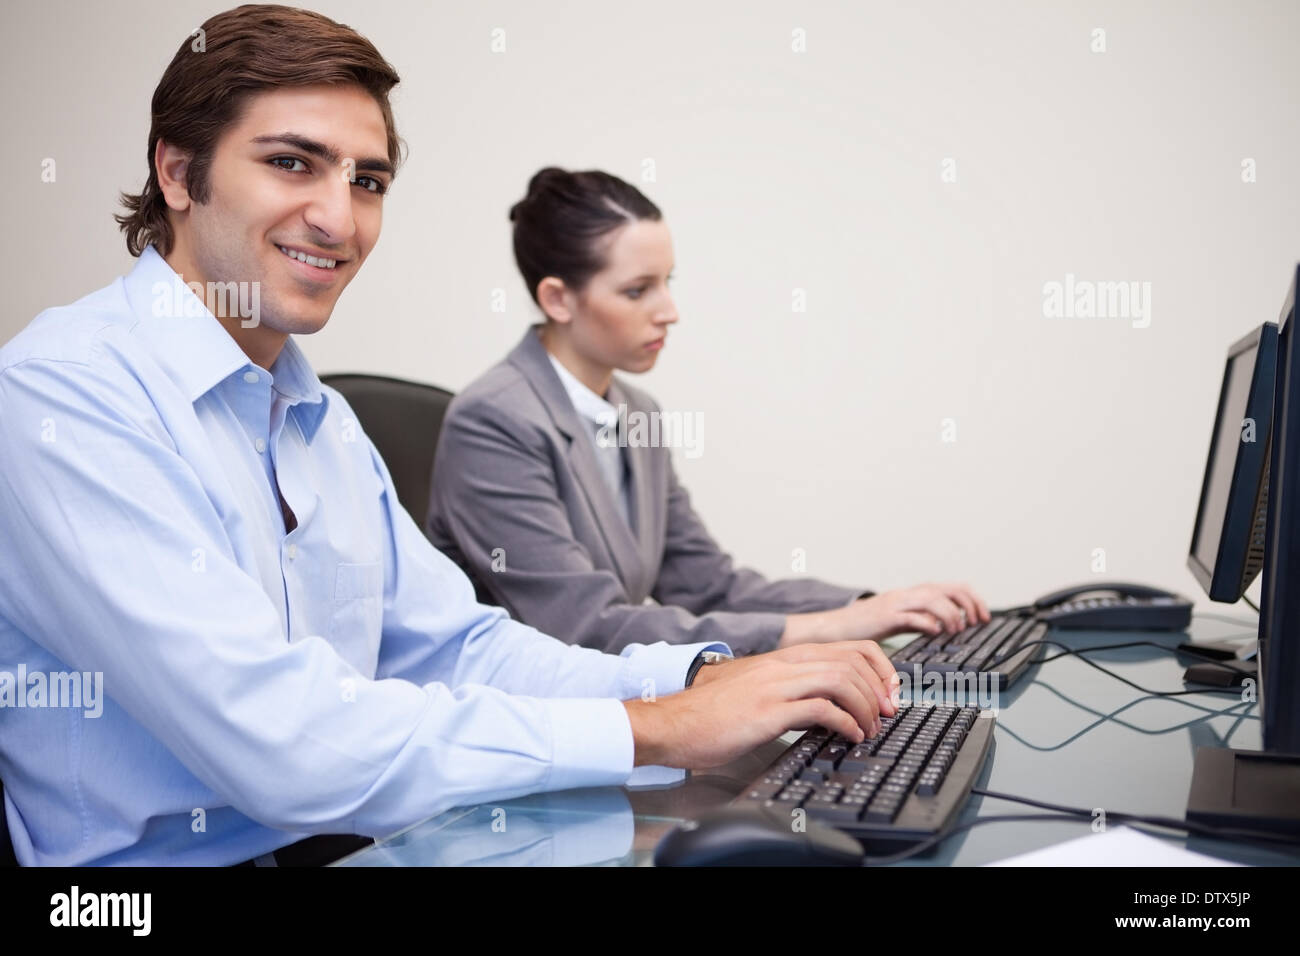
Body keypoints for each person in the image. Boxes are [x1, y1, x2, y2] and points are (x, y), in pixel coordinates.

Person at [0, 4, 899, 867]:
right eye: (291, 163)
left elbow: (460, 647)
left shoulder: (319, 418)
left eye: (369, 181)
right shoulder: (66, 397)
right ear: (176, 172)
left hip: (359, 841)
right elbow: (282, 741)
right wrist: (654, 725)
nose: (339, 218)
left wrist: (695, 680)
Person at [426, 167, 991, 656]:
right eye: (637, 290)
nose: (669, 311)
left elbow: (708, 586)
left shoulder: (636, 411)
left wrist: (872, 606)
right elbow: (583, 627)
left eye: (667, 283)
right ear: (557, 299)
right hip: (527, 725)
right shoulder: (494, 420)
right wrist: (834, 628)